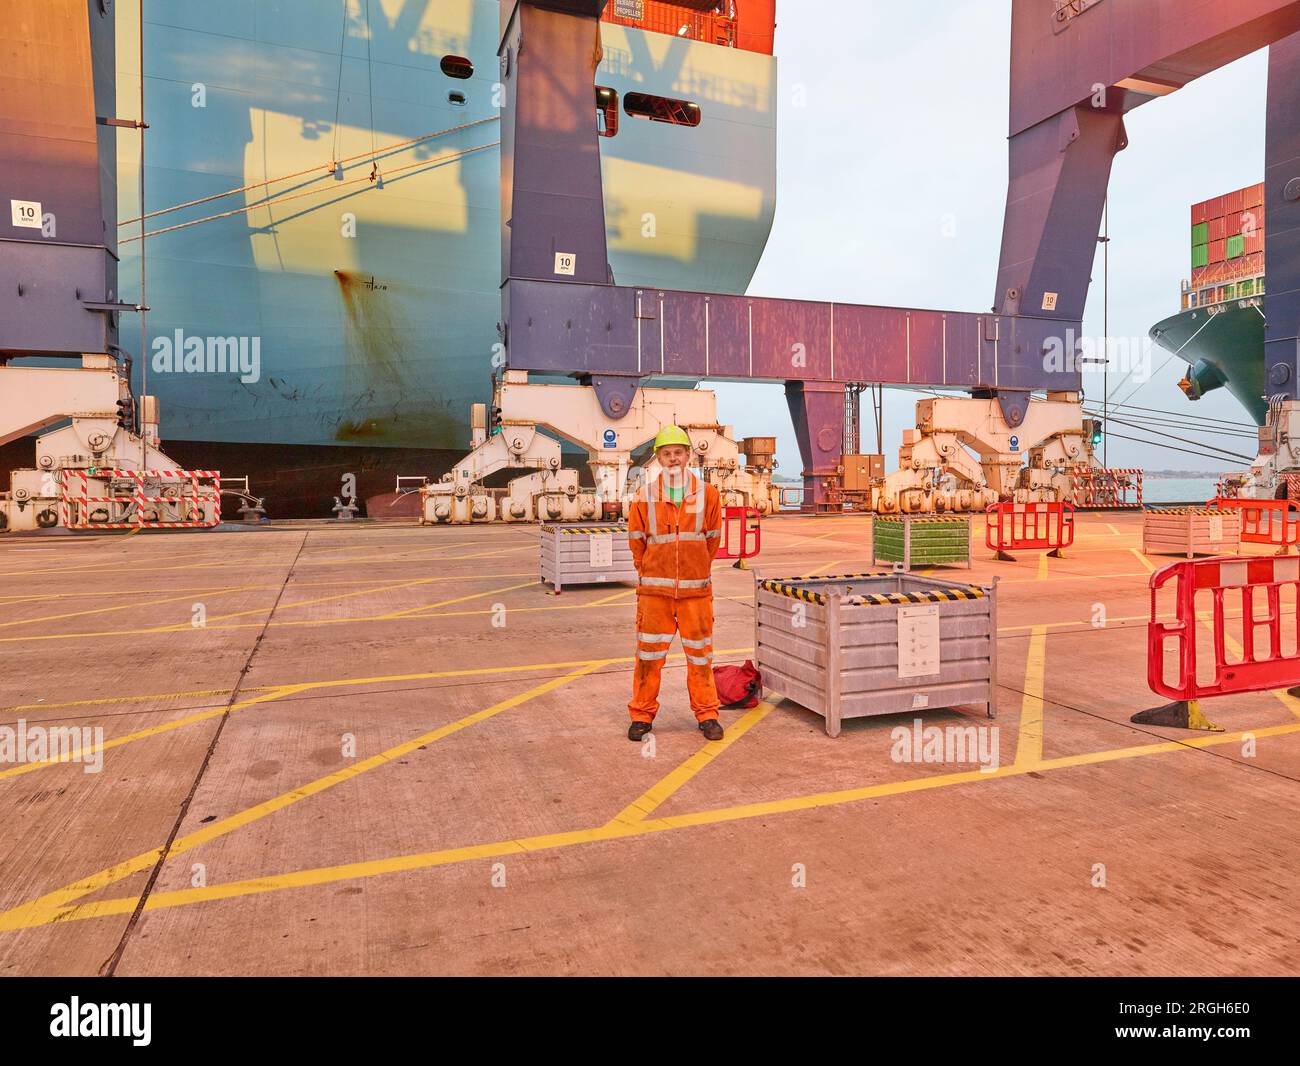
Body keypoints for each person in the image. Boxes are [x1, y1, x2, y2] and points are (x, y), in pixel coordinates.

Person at [626, 426, 724, 742]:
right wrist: (652, 572)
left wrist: (693, 570)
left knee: (700, 657)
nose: (673, 459)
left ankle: (707, 714)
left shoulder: (708, 494)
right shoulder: (644, 496)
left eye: (678, 453)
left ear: (688, 456)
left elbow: (712, 540)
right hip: (655, 593)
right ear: (658, 458)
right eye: (666, 454)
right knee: (648, 658)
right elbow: (636, 541)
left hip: (696, 592)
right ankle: (641, 716)